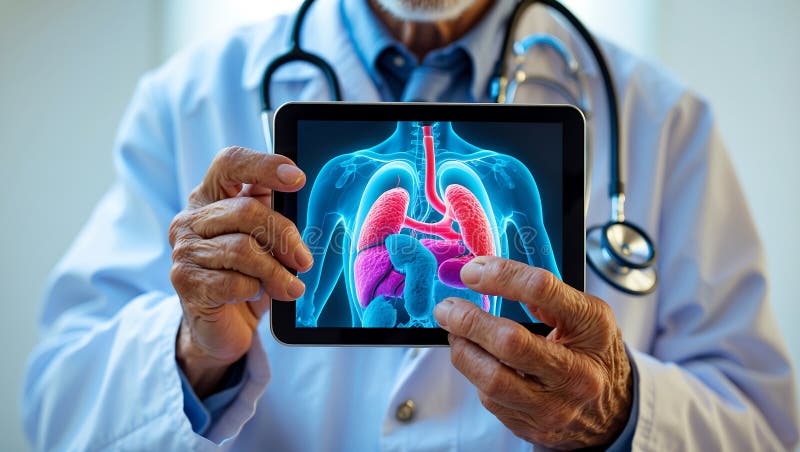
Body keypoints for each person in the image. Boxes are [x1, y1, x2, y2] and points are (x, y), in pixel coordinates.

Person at [21, 0, 799, 450]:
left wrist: (622, 414)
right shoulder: (189, 98)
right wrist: (192, 354)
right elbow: (57, 408)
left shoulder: (662, 119)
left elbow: (763, 428)